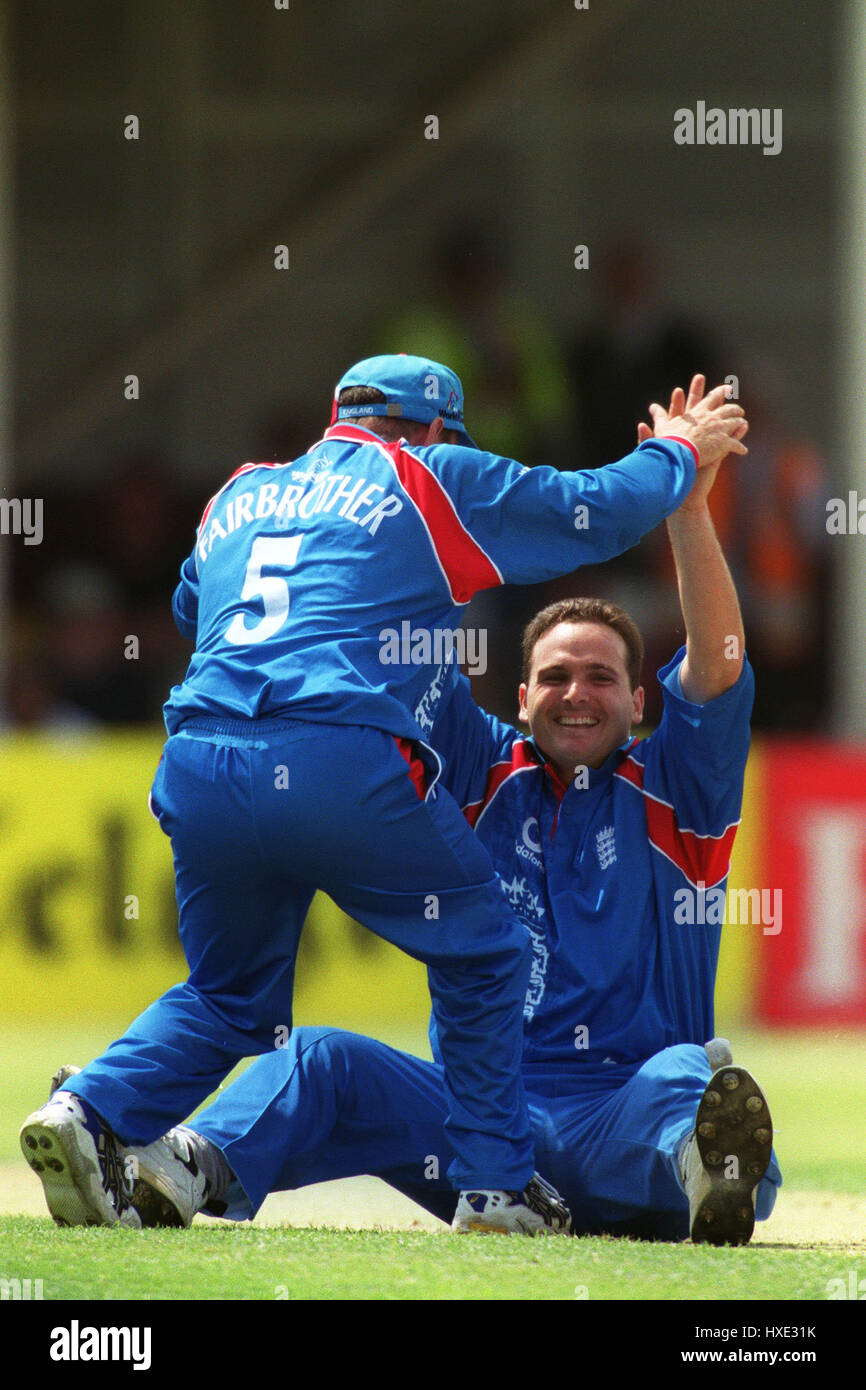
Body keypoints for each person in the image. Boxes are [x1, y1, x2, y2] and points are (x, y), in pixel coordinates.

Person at [21, 358, 748, 1238]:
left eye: (602, 677)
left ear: (643, 702)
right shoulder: (479, 734)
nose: (577, 693)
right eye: (554, 675)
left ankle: (91, 1112)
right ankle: (456, 1185)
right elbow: (591, 504)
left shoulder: (239, 493)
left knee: (227, 1000)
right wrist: (677, 454)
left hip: (200, 752)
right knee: (451, 973)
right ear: (515, 699)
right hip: (346, 785)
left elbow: (193, 607)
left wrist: (690, 514)